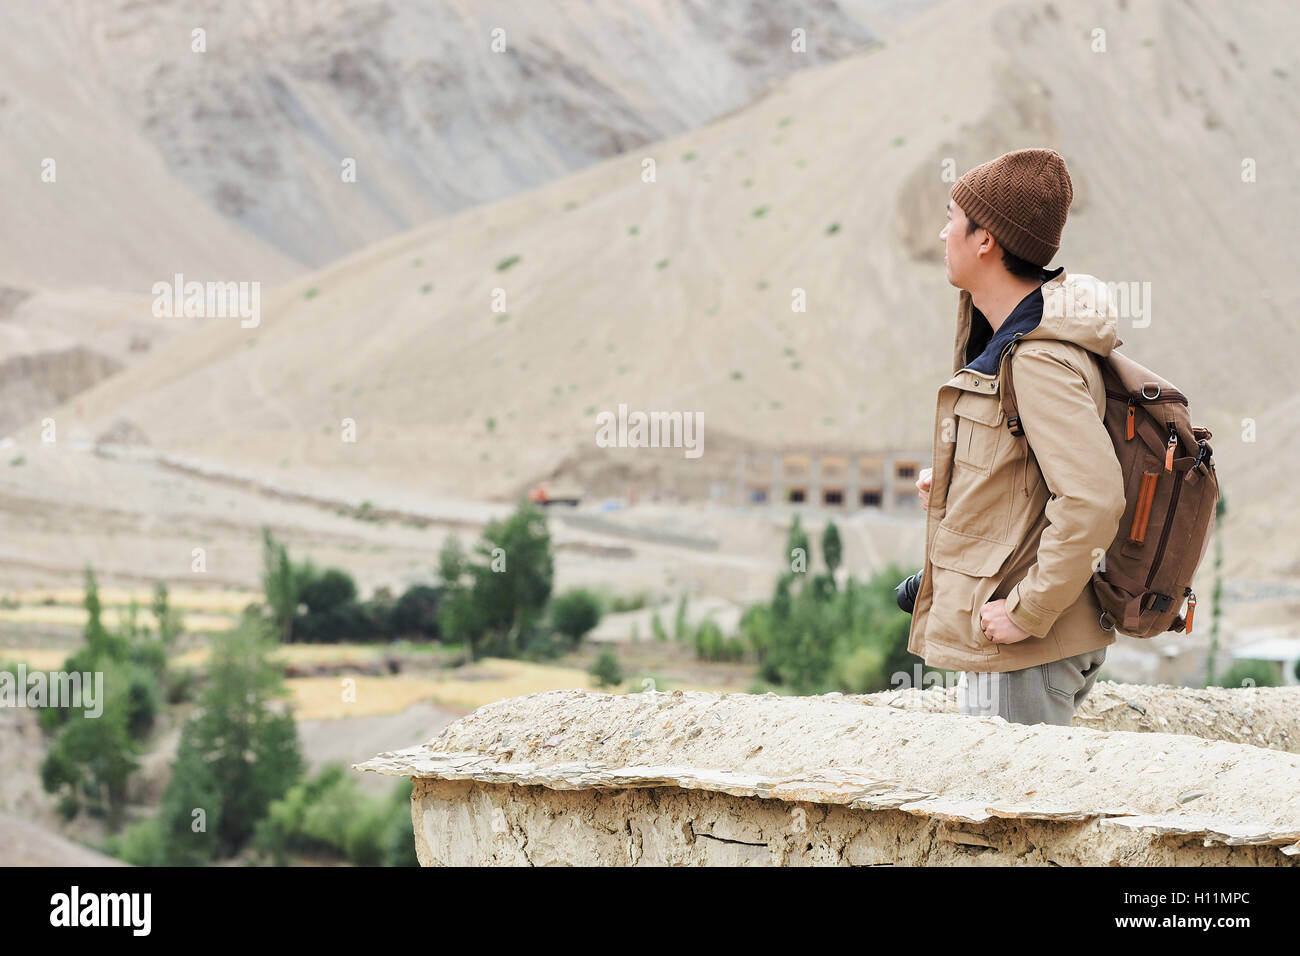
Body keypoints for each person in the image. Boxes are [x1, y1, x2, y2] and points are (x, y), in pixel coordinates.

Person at [903, 147, 1127, 726]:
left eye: (953, 216)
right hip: (1017, 647)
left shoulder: (1038, 359)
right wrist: (958, 484)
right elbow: (1030, 475)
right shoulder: (1013, 341)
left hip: (1022, 651)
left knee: (1015, 816)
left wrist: (1028, 612)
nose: (942, 230)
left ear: (986, 241)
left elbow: (1093, 498)